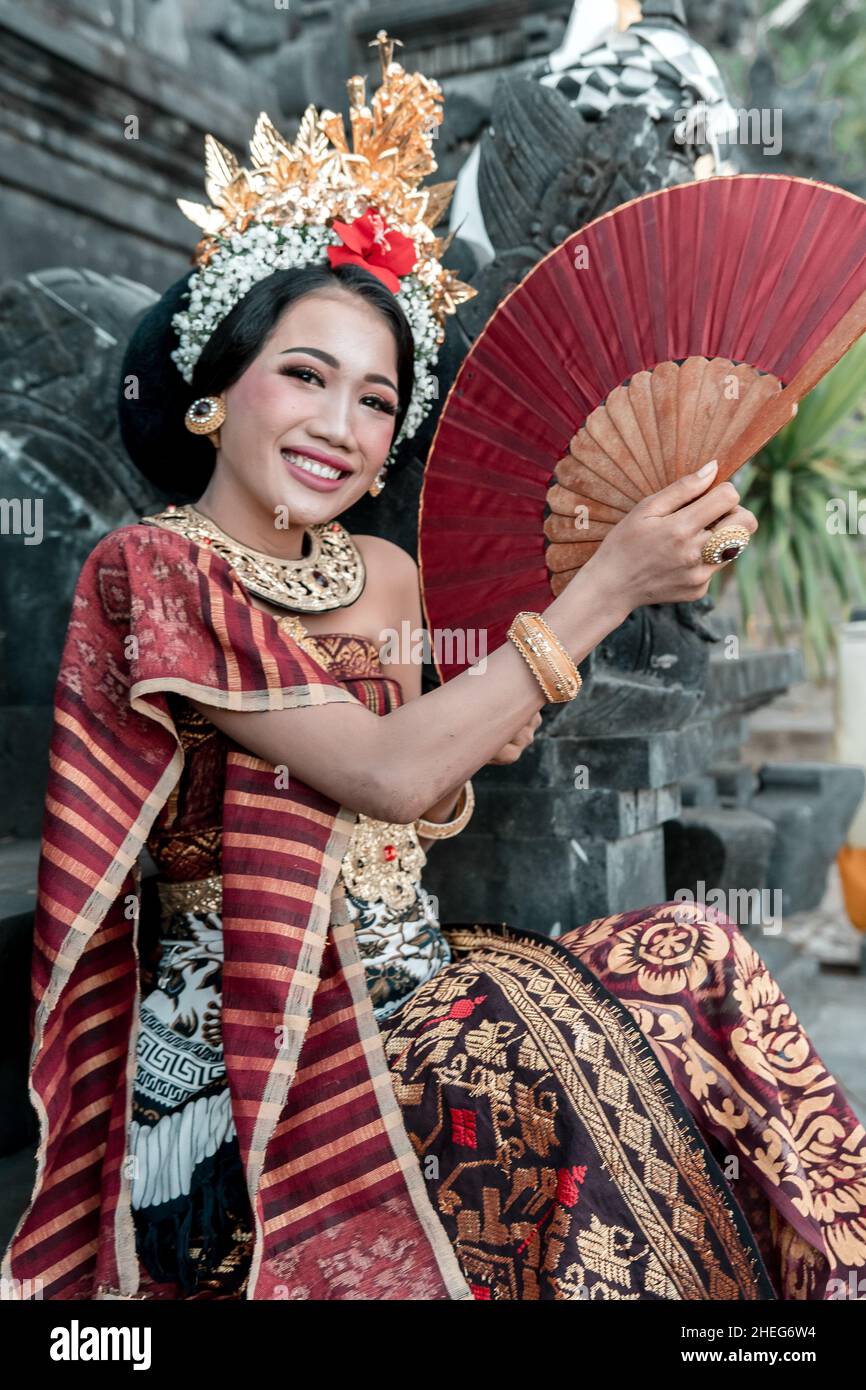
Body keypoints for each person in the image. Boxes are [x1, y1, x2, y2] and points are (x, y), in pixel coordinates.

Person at [4, 36, 865, 1303]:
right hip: (258, 1037)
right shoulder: (156, 569)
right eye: (304, 377)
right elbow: (390, 772)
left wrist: (521, 693)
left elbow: (427, 786)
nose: (342, 429)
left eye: (375, 400)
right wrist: (600, 591)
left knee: (702, 960)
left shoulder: (385, 578)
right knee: (575, 1085)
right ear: (211, 394)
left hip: (411, 976)